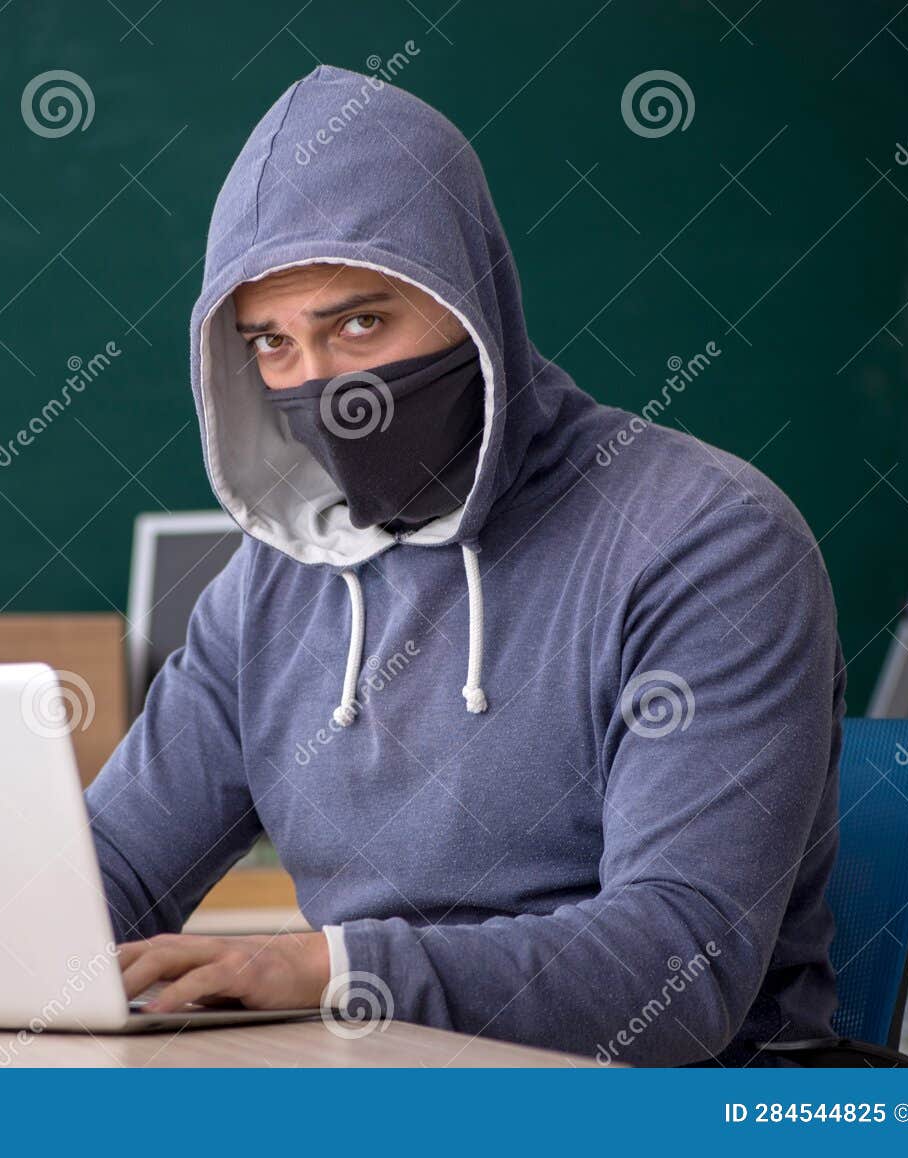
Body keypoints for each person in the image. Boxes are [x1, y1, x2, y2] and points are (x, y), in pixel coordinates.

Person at [85, 66, 843, 1066]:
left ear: (472, 297)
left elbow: (677, 971)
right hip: (367, 1077)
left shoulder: (707, 541)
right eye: (271, 343)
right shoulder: (268, 590)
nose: (323, 387)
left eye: (361, 323)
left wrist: (337, 971)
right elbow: (101, 874)